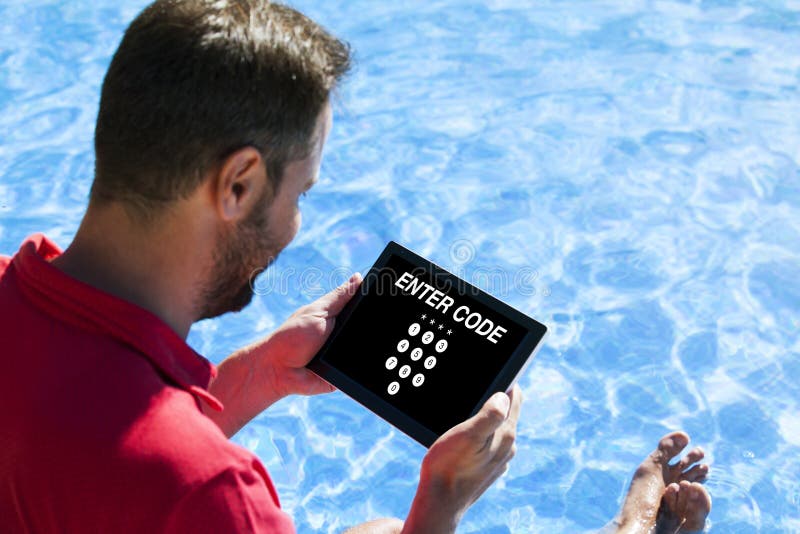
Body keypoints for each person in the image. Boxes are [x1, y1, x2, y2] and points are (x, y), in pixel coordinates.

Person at [0, 1, 710, 532]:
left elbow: (103, 463)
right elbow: (159, 478)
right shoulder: (211, 492)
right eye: (300, 192)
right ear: (238, 184)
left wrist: (256, 375)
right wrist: (440, 502)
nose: (295, 224)